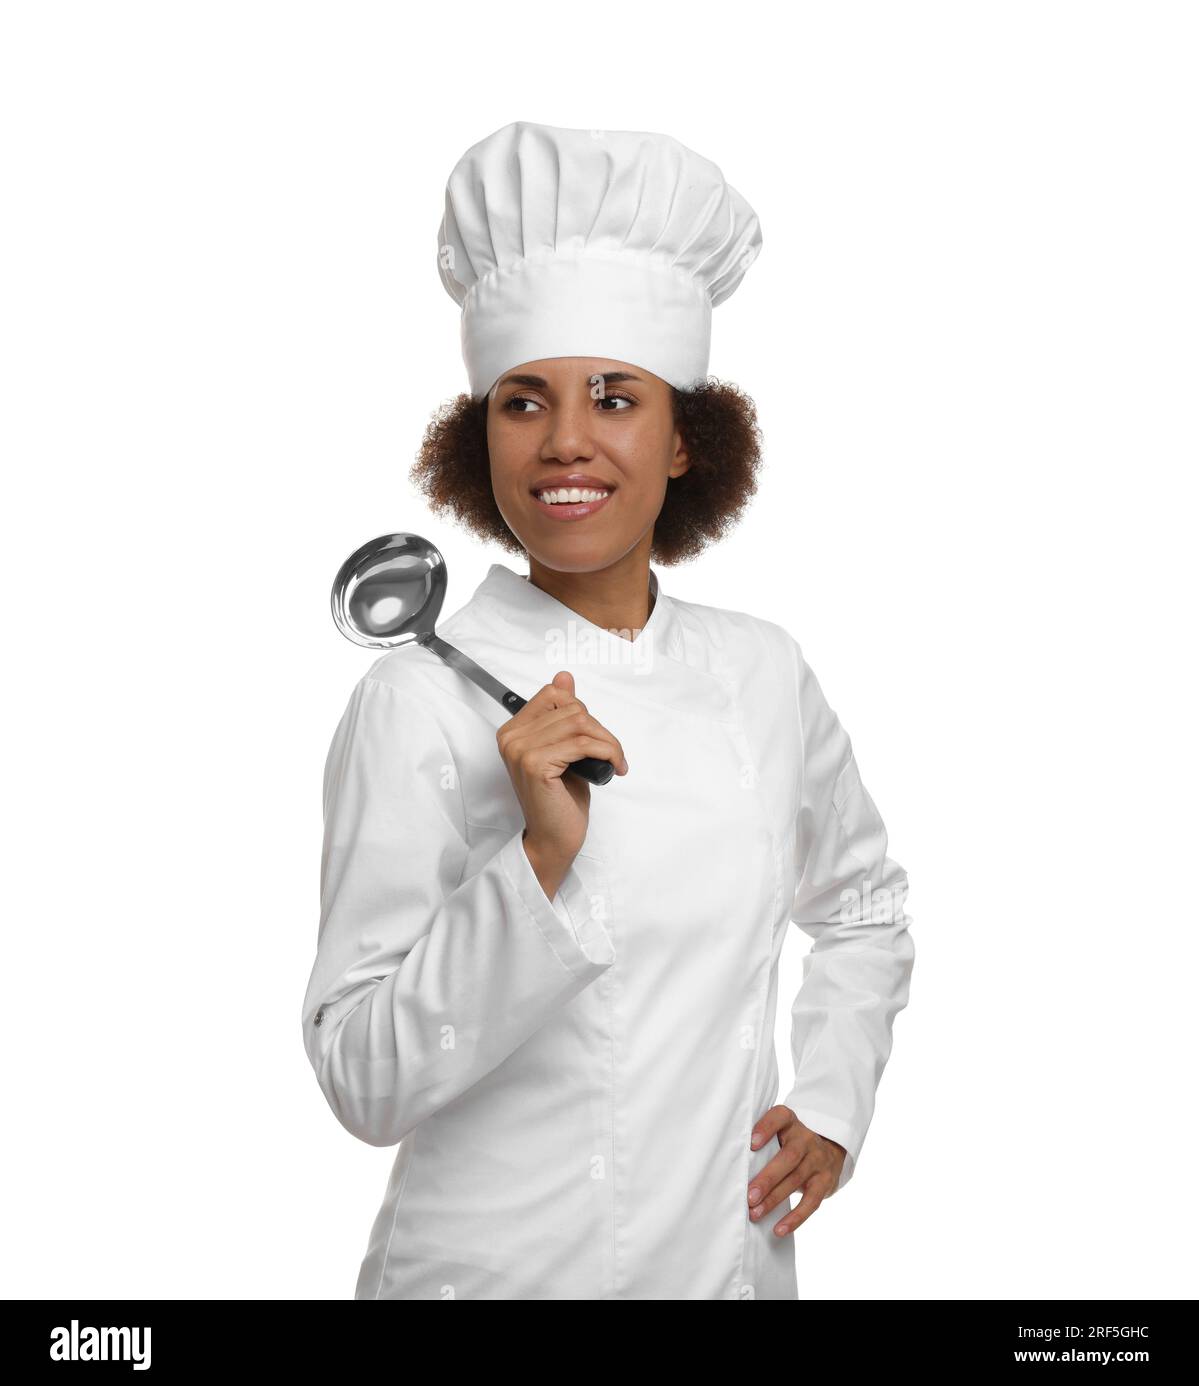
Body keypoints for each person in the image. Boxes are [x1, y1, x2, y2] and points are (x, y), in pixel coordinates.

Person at [301, 121, 915, 1301]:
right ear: (477, 439)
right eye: (522, 402)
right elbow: (357, 1079)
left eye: (614, 397)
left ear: (685, 437)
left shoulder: (760, 671)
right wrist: (536, 859)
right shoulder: (418, 696)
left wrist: (832, 1104)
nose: (567, 440)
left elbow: (863, 905)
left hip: (726, 1272)